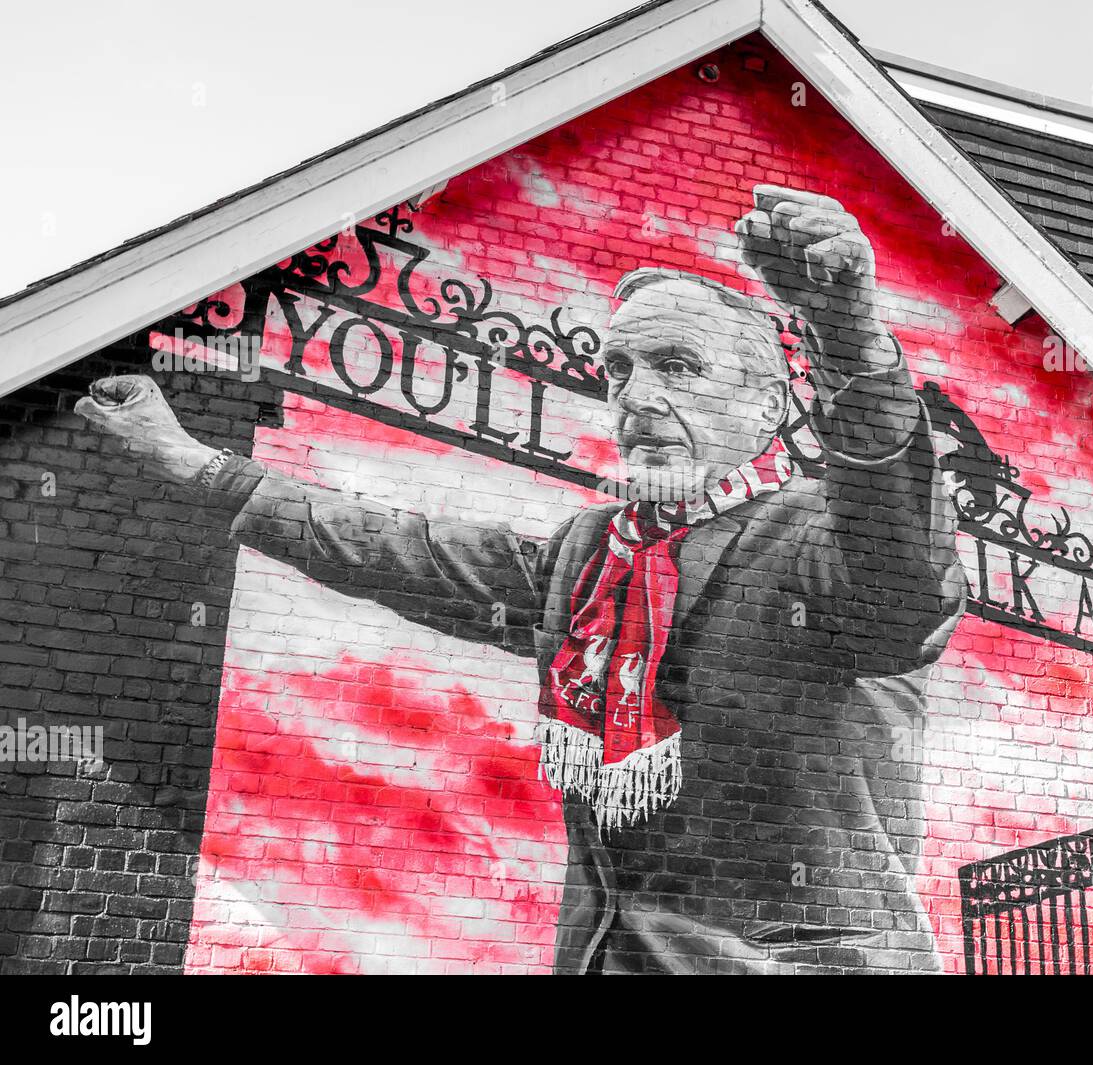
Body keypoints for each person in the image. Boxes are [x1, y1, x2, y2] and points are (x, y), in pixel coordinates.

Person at [78, 185, 966, 974]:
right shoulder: (592, 557)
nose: (636, 397)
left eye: (679, 368)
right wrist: (198, 467)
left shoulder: (826, 540)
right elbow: (399, 549)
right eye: (619, 369)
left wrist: (848, 335)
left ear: (770, 406)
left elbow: (903, 570)